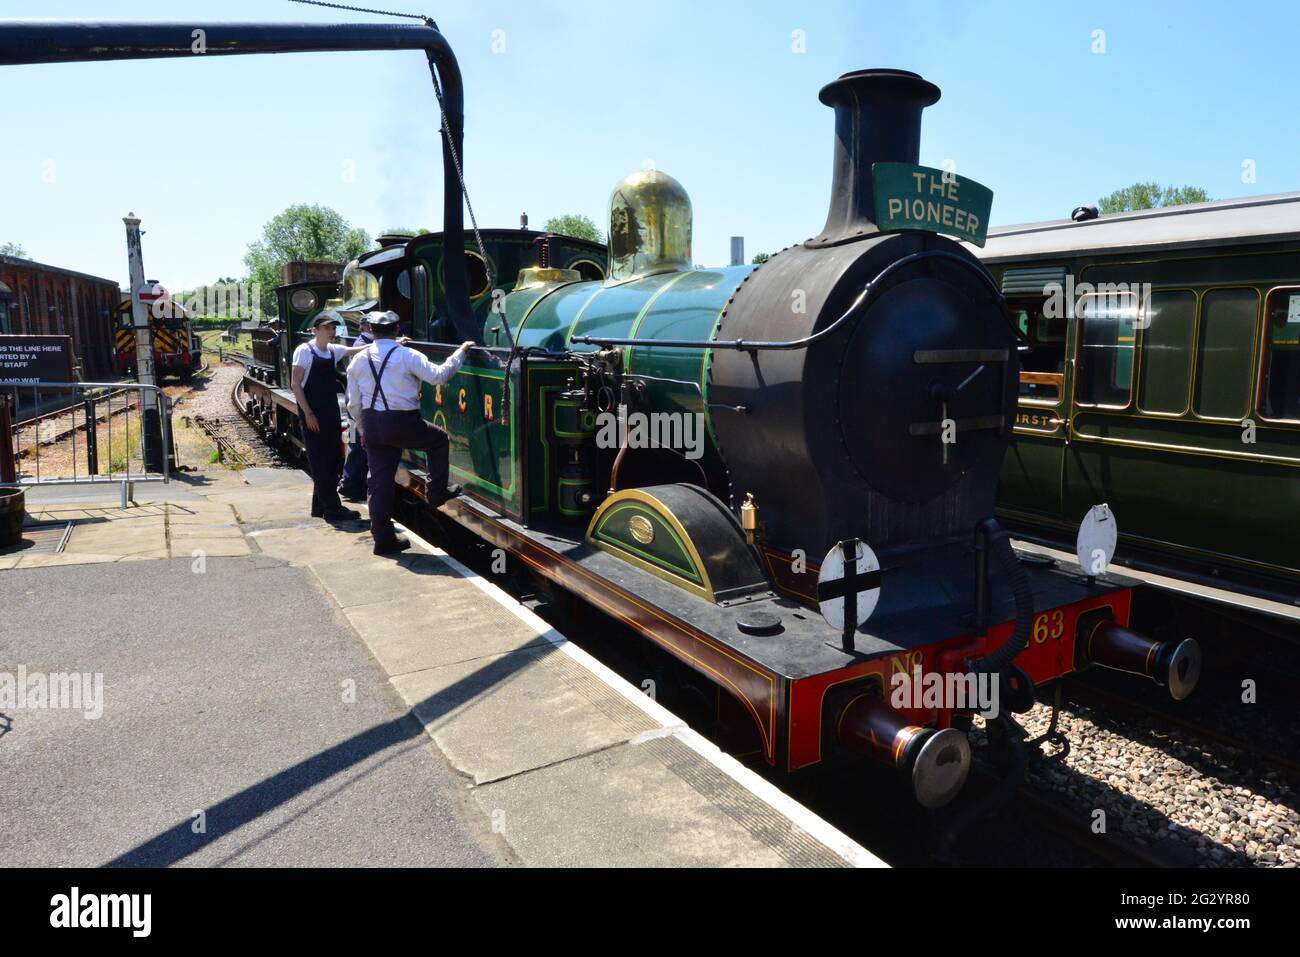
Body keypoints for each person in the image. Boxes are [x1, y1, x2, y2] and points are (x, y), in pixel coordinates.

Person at [346, 310, 473, 555]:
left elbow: (352, 402)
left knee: (378, 483)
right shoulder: (407, 355)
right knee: (438, 440)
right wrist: (461, 352)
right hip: (402, 422)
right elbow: (439, 376)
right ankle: (435, 493)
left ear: (371, 331)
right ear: (396, 330)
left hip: (372, 424)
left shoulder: (359, 360)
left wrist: (363, 428)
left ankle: (383, 539)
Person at [290, 314, 369, 522]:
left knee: (333, 458)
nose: (331, 332)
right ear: (315, 330)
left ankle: (319, 507)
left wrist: (390, 342)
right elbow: (296, 384)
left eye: (333, 328)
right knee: (320, 460)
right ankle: (333, 510)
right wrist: (307, 413)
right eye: (327, 328)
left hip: (331, 411)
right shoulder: (304, 351)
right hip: (313, 413)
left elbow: (357, 349)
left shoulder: (332, 351)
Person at [337, 316, 375, 503]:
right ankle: (349, 485)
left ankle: (350, 484)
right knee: (356, 444)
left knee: (355, 444)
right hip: (357, 403)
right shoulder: (361, 344)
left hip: (356, 401)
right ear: (366, 326)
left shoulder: (365, 342)